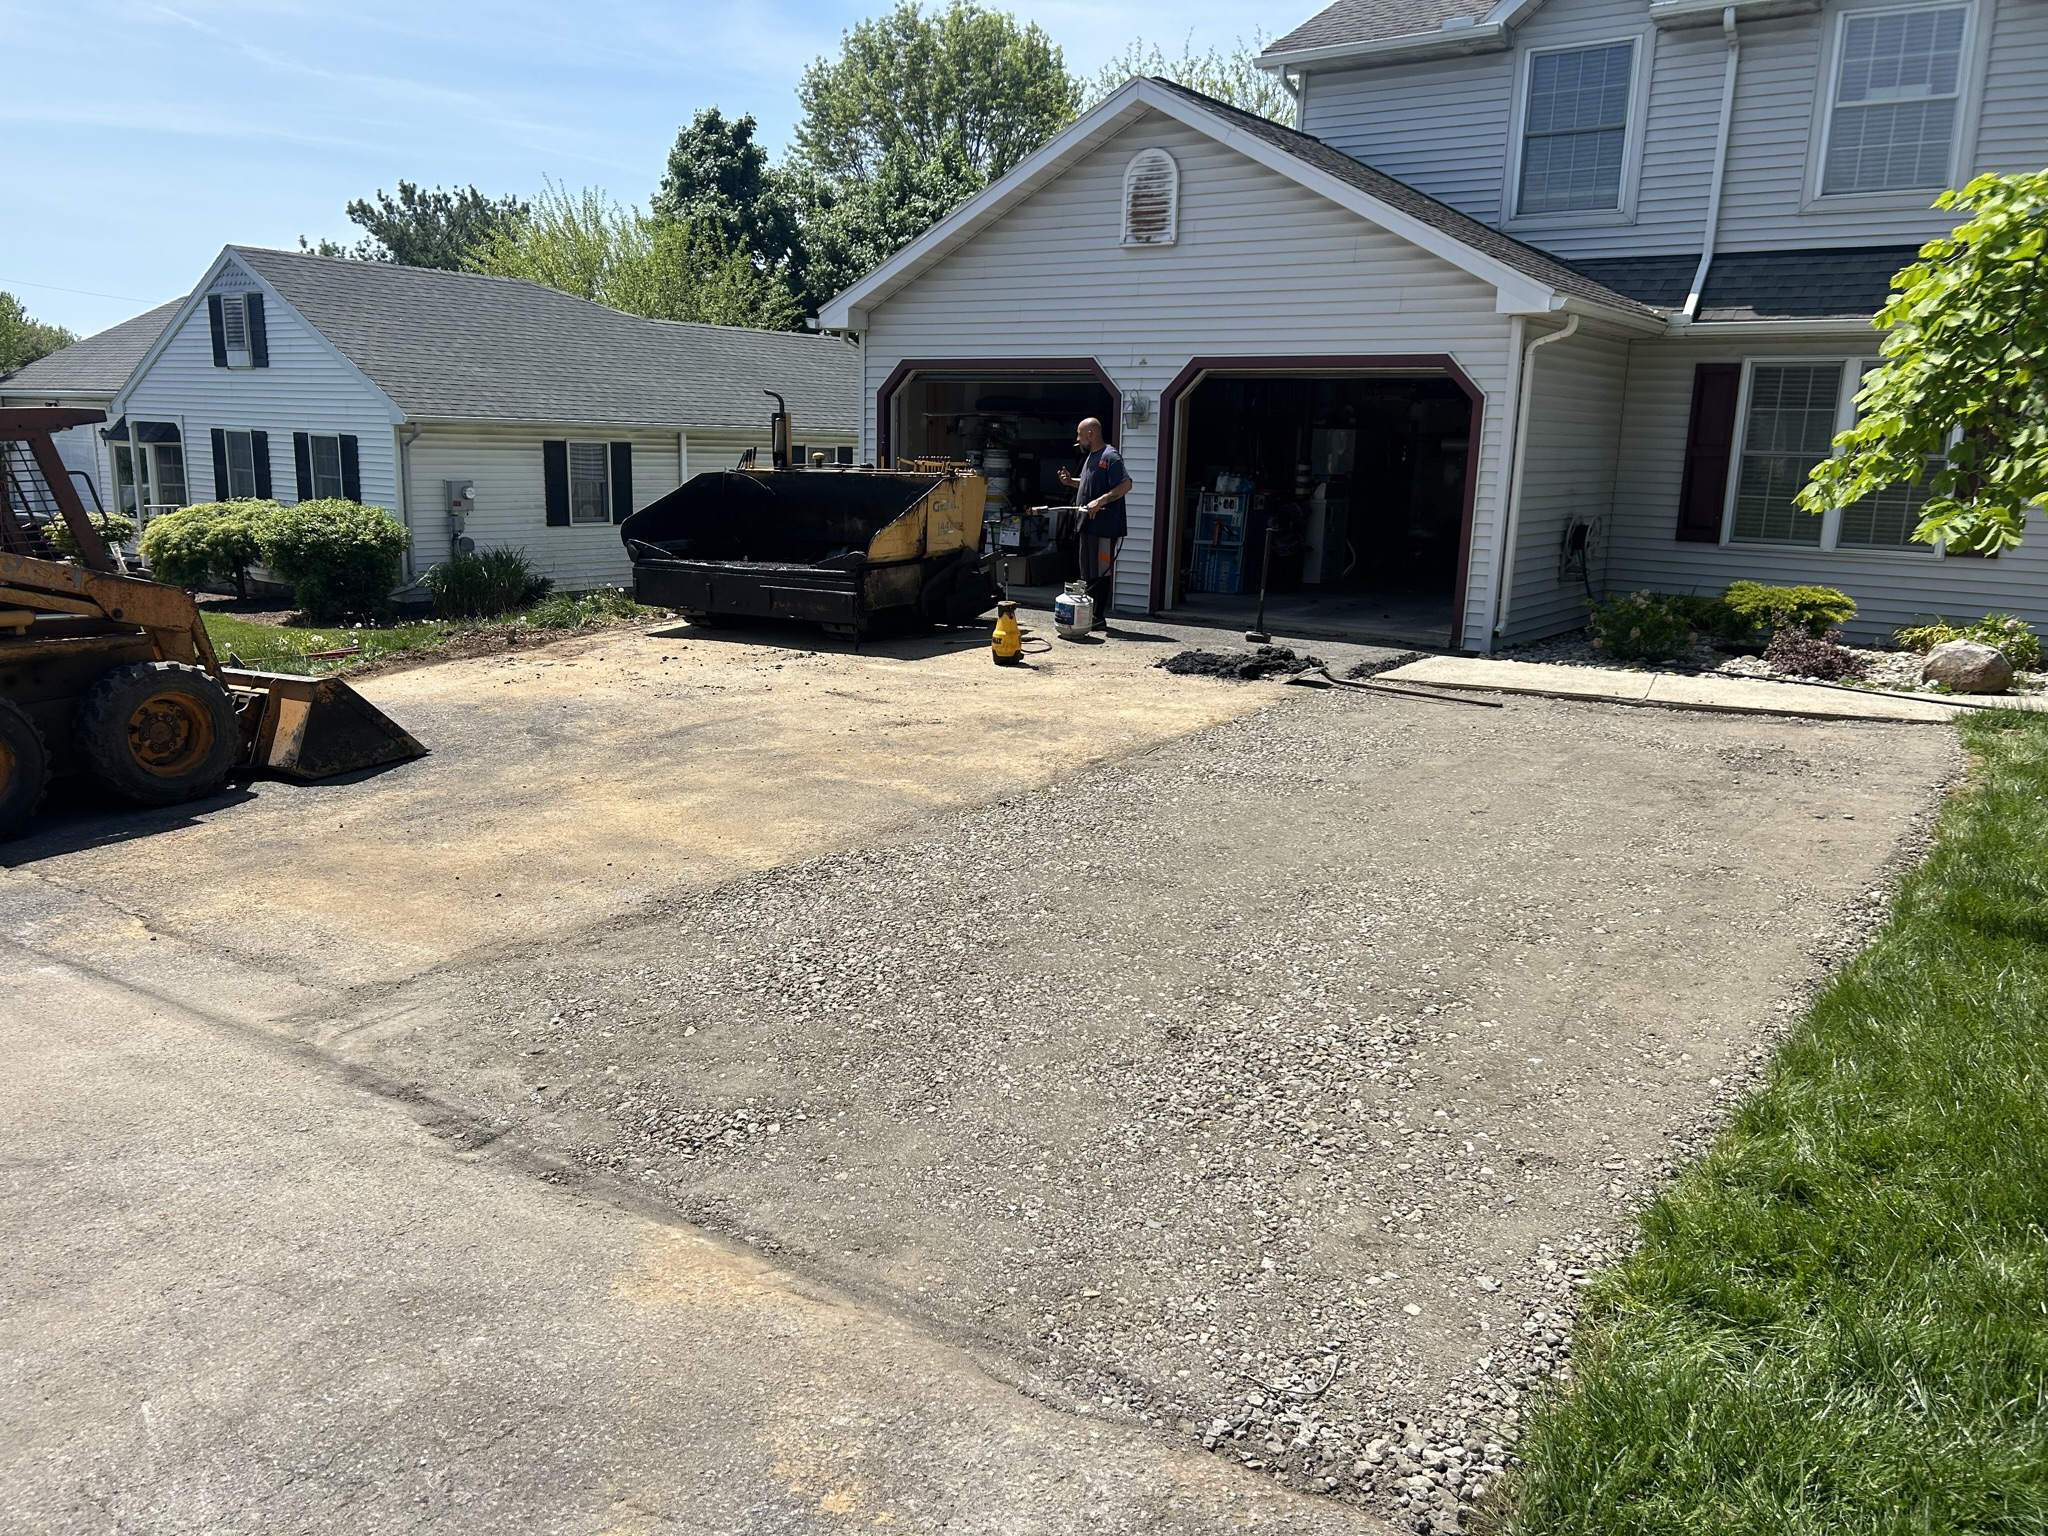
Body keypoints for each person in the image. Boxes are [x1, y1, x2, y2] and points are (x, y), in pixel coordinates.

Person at [1055, 417, 1132, 629]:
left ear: (1091, 434)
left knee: (1100, 570)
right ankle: (1088, 615)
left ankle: (1099, 615)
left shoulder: (1110, 456)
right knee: (1087, 572)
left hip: (1105, 527)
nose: (1077, 439)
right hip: (1087, 526)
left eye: (1079, 435)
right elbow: (1089, 483)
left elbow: (1126, 484)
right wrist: (1071, 482)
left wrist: (1100, 501)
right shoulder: (1091, 457)